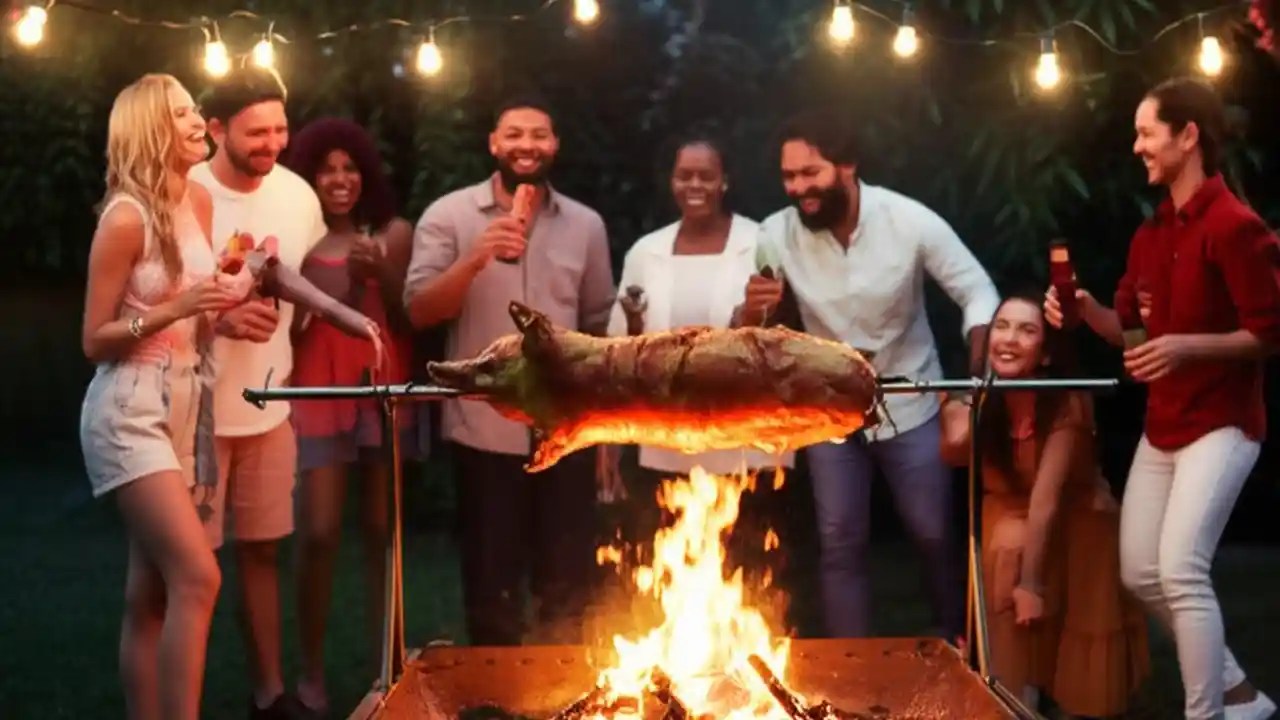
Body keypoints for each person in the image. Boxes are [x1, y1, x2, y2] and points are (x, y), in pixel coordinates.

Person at [1045, 77, 1279, 720]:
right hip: (1164, 421)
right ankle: (1240, 694)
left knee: (1180, 571)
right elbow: (1134, 334)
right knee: (1140, 572)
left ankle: (1205, 714)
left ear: (1188, 136)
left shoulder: (1236, 226)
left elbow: (1267, 334)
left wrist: (1185, 348)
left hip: (1223, 424)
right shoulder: (1151, 235)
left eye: (1148, 132)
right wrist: (1083, 309)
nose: (1137, 144)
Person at [735, 109, 1000, 642]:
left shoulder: (908, 219)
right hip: (828, 411)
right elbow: (752, 330)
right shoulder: (773, 233)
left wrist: (974, 384)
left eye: (811, 173)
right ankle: (849, 667)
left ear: (848, 165)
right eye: (789, 177)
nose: (799, 188)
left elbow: (978, 291)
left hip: (912, 400)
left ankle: (959, 647)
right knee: (839, 542)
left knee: (932, 534)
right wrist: (752, 309)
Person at [403, 92, 616, 646]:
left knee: (566, 583)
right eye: (514, 135)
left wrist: (607, 428)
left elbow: (598, 325)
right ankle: (499, 699)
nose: (527, 145)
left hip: (566, 430)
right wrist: (475, 257)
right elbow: (420, 309)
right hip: (484, 431)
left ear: (555, 145)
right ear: (494, 144)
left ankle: (567, 698)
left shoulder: (585, 226)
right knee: (491, 586)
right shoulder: (449, 216)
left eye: (539, 134)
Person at [79, 73, 239, 720]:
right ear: (152, 130)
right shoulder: (124, 219)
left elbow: (198, 311)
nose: (199, 120)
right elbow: (94, 339)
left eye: (195, 108)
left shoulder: (197, 202)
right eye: (181, 114)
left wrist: (233, 301)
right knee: (199, 578)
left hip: (182, 406)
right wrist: (177, 306)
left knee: (149, 593)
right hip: (127, 412)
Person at [189, 66, 329, 719]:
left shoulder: (299, 195)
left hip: (269, 406)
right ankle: (173, 698)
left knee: (266, 547)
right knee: (189, 569)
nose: (272, 142)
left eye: (280, 128)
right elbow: (144, 303)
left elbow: (299, 282)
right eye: (256, 132)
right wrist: (214, 321)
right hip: (189, 412)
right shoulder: (180, 192)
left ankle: (270, 695)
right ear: (215, 129)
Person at [606, 134, 792, 619]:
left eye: (706, 175)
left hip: (745, 439)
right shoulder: (646, 251)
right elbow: (620, 350)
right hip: (666, 439)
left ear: (724, 181)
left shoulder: (760, 242)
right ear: (671, 181)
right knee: (673, 569)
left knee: (744, 575)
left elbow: (776, 339)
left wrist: (750, 314)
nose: (695, 184)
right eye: (684, 175)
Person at [939, 294, 1150, 716]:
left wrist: (1031, 585)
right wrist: (965, 407)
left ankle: (1070, 694)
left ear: (1048, 352)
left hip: (1075, 514)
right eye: (1002, 326)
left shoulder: (1067, 401)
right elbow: (954, 452)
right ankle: (1017, 692)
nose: (1010, 339)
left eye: (1027, 330)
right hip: (1010, 513)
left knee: (1042, 549)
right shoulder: (976, 399)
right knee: (1006, 541)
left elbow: (1048, 499)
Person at [281, 117, 420, 716]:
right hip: (318, 388)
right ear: (308, 178)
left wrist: (380, 270)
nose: (340, 179)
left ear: (366, 173)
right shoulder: (296, 239)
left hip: (381, 382)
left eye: (349, 167)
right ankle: (309, 669)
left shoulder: (394, 231)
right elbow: (289, 325)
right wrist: (335, 293)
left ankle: (385, 663)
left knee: (381, 531)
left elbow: (410, 311)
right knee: (318, 532)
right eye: (326, 169)